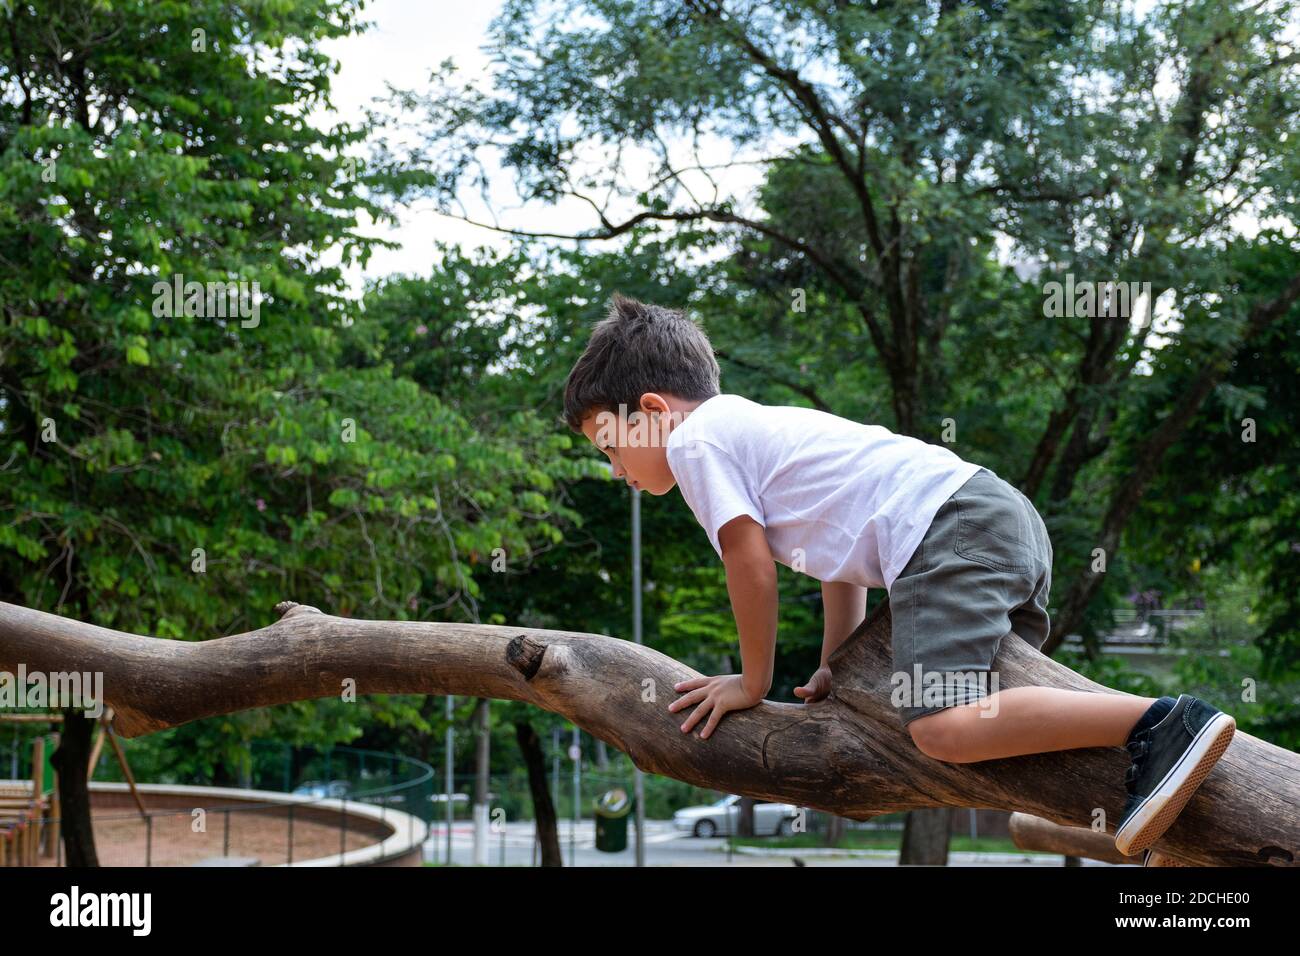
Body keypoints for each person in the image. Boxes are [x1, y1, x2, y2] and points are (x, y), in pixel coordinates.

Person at [561, 292, 1236, 857]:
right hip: (992, 523)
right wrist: (835, 665)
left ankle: (1166, 721)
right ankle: (1158, 788)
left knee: (941, 724)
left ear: (654, 411)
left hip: (953, 531)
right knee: (993, 725)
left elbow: (749, 565)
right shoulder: (758, 433)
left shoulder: (696, 441)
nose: (616, 470)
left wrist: (752, 682)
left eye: (610, 444)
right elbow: (837, 562)